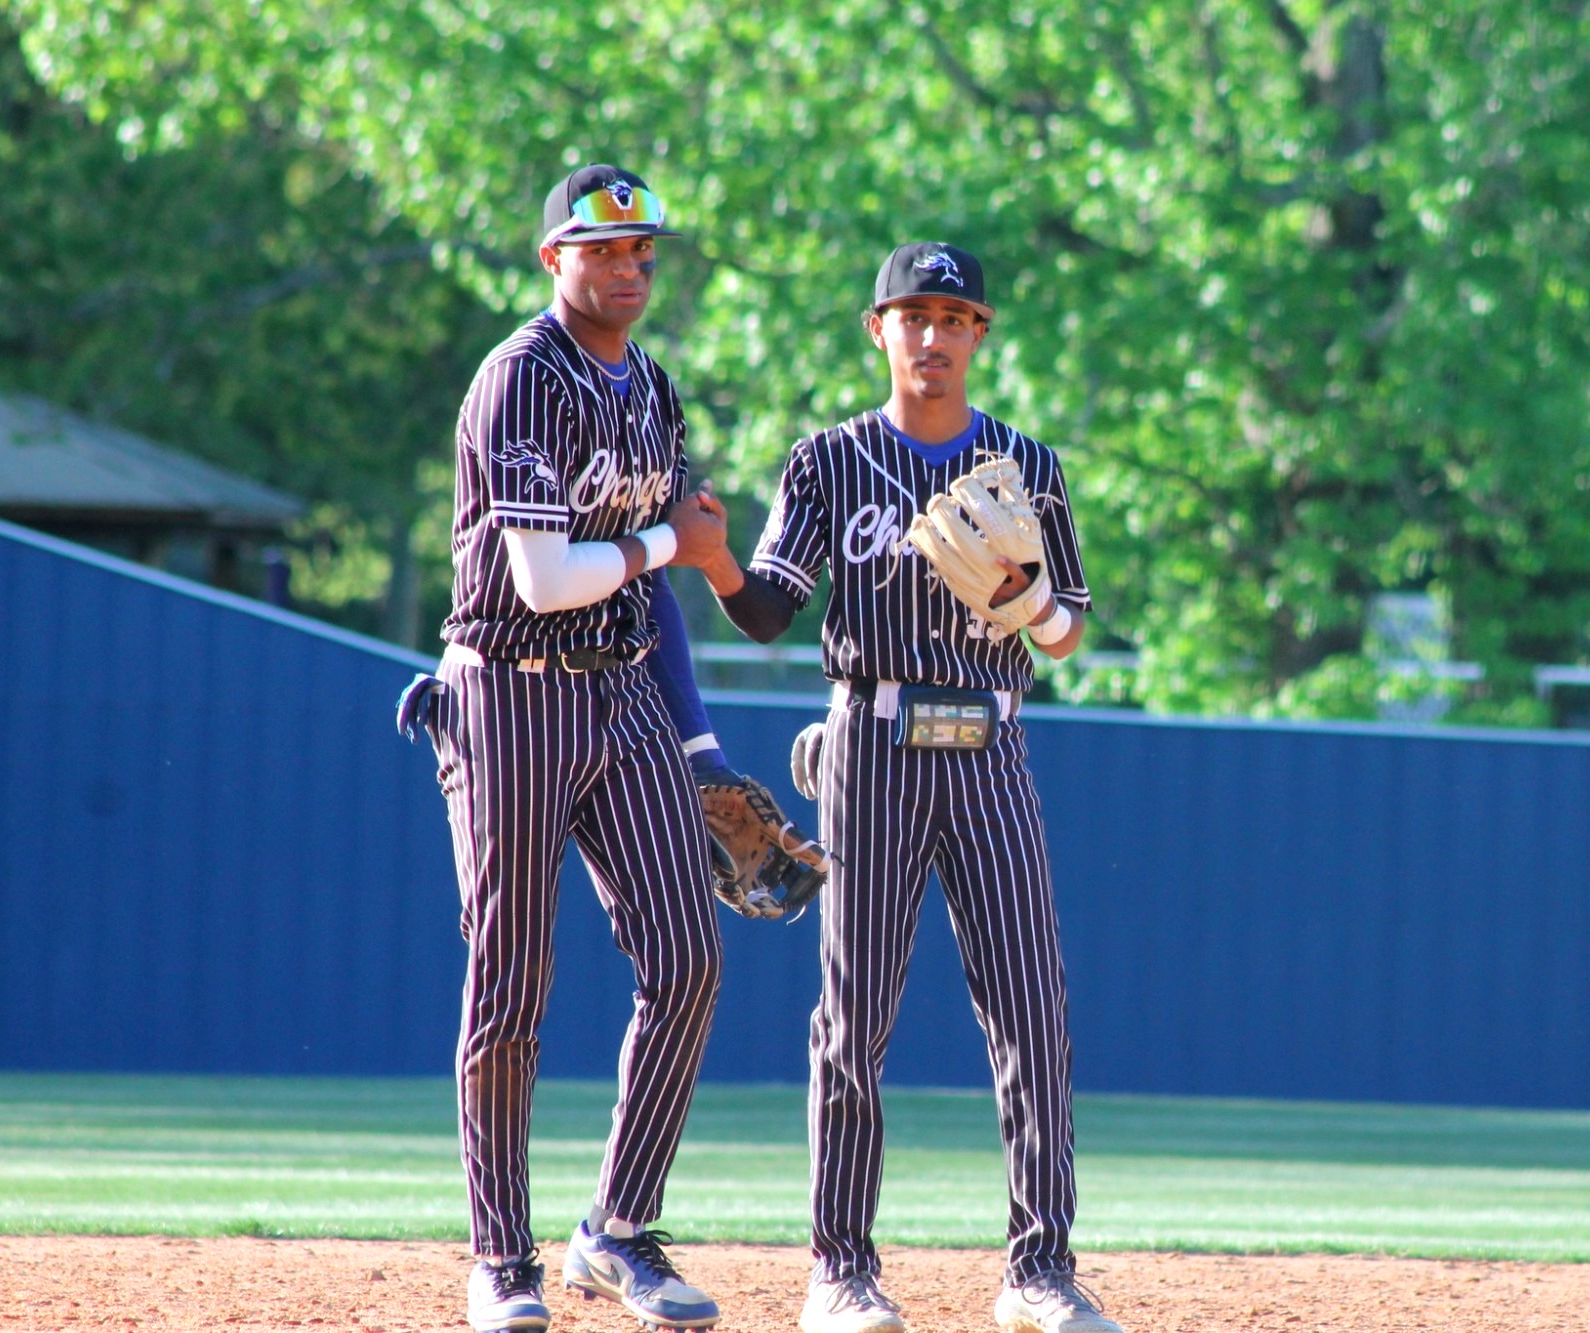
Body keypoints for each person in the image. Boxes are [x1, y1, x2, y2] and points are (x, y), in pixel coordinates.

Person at [688, 242, 1125, 1333]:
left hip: (990, 747)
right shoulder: (827, 461)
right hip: (872, 746)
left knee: (1032, 1008)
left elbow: (1070, 633)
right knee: (854, 1019)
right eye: (912, 314)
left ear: (979, 334)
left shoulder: (1028, 464)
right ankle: (837, 1273)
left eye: (954, 316)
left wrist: (1024, 607)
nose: (932, 335)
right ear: (876, 328)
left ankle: (1039, 1272)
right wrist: (712, 562)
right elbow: (770, 609)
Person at [405, 163, 732, 1333]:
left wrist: (698, 749)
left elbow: (660, 592)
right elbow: (544, 583)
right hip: (511, 693)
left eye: (644, 250)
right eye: (605, 251)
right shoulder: (517, 382)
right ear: (556, 259)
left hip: (624, 692)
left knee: (690, 956)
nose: (631, 269)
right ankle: (503, 1258)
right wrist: (667, 544)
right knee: (513, 979)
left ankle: (617, 1231)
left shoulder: (650, 386)